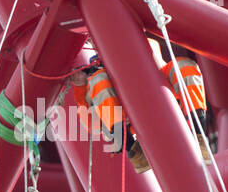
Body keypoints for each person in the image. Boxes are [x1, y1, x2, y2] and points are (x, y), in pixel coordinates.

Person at [69, 42, 211, 173]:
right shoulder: (96, 68)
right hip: (128, 115)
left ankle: (199, 135)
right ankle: (133, 150)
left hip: (163, 95)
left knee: (184, 66)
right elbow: (92, 125)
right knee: (98, 80)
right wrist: (81, 87)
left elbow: (163, 68)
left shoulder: (146, 41)